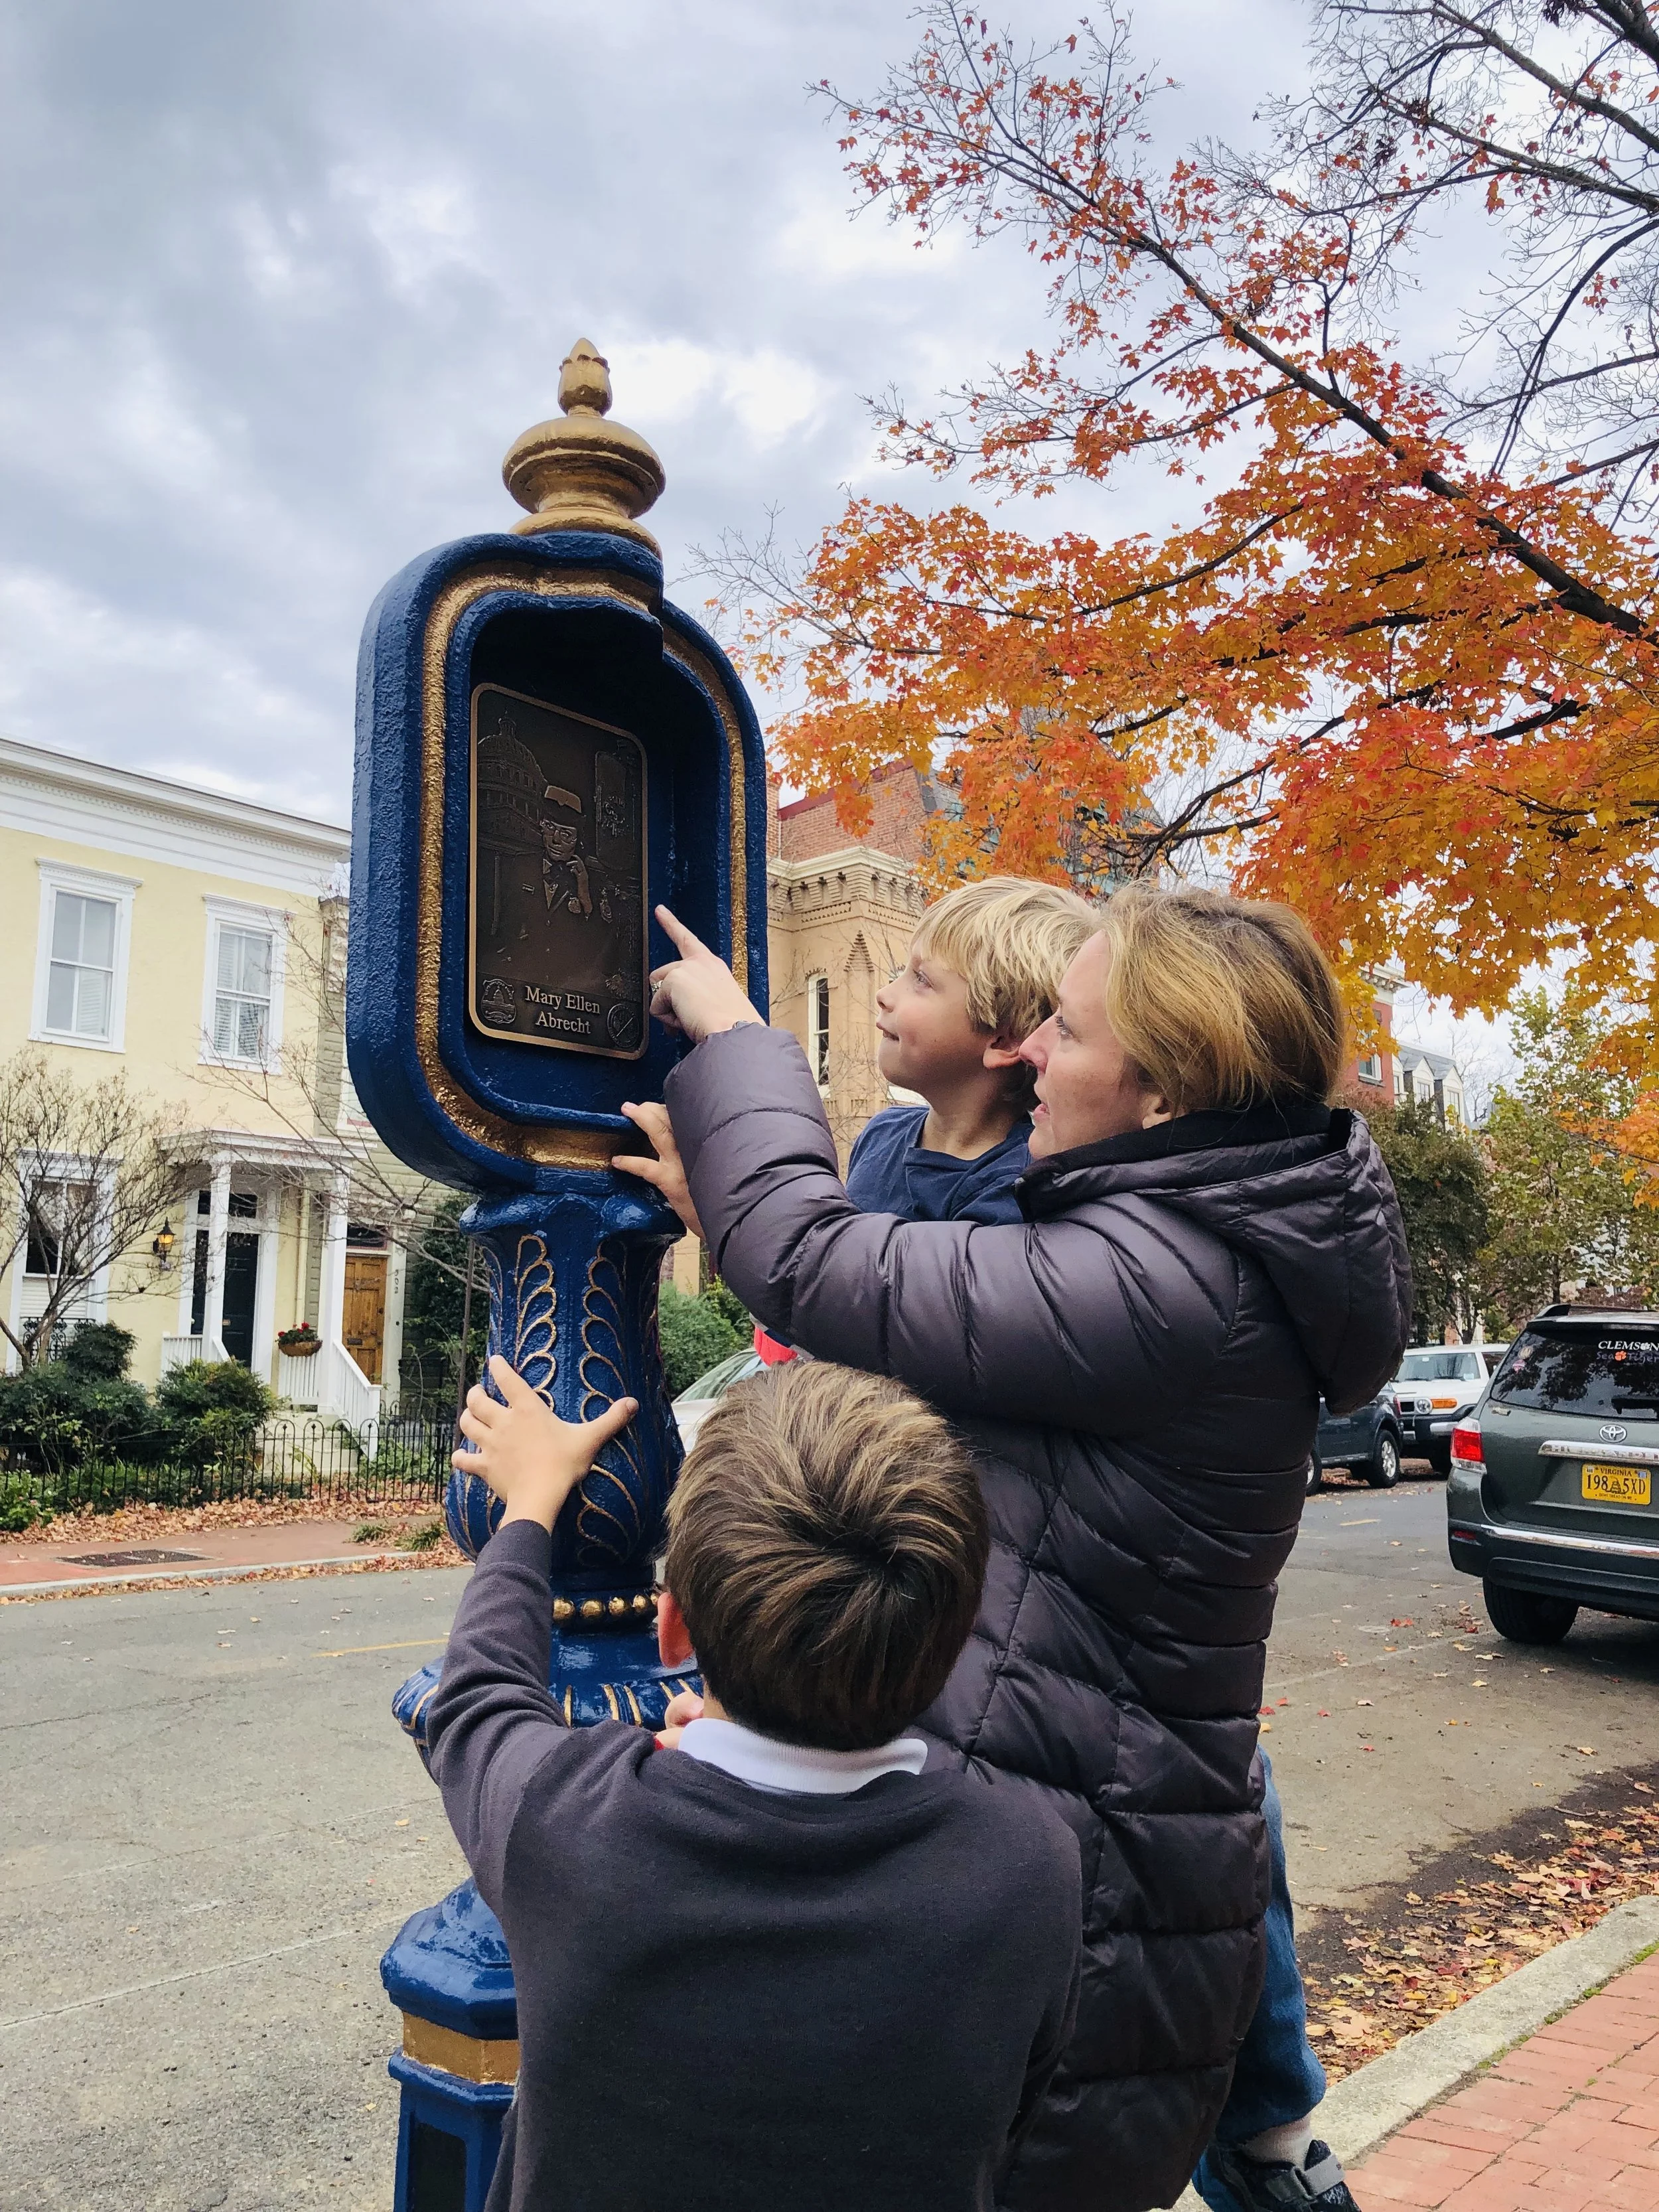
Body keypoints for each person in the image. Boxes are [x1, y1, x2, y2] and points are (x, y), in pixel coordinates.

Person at [618, 886, 1411, 2212]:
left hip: (1065, 1905)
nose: (1035, 1049)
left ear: (1161, 1095)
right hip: (1077, 1852)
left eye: (1068, 1031)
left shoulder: (1157, 1284)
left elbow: (812, 1261)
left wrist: (740, 1042)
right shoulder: (1188, 1255)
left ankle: (1274, 2152)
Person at [428, 1352, 1082, 2212]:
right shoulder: (1026, 1871)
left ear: (673, 1630)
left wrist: (528, 1508)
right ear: (952, 1646)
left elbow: (477, 1699)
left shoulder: (577, 1829)